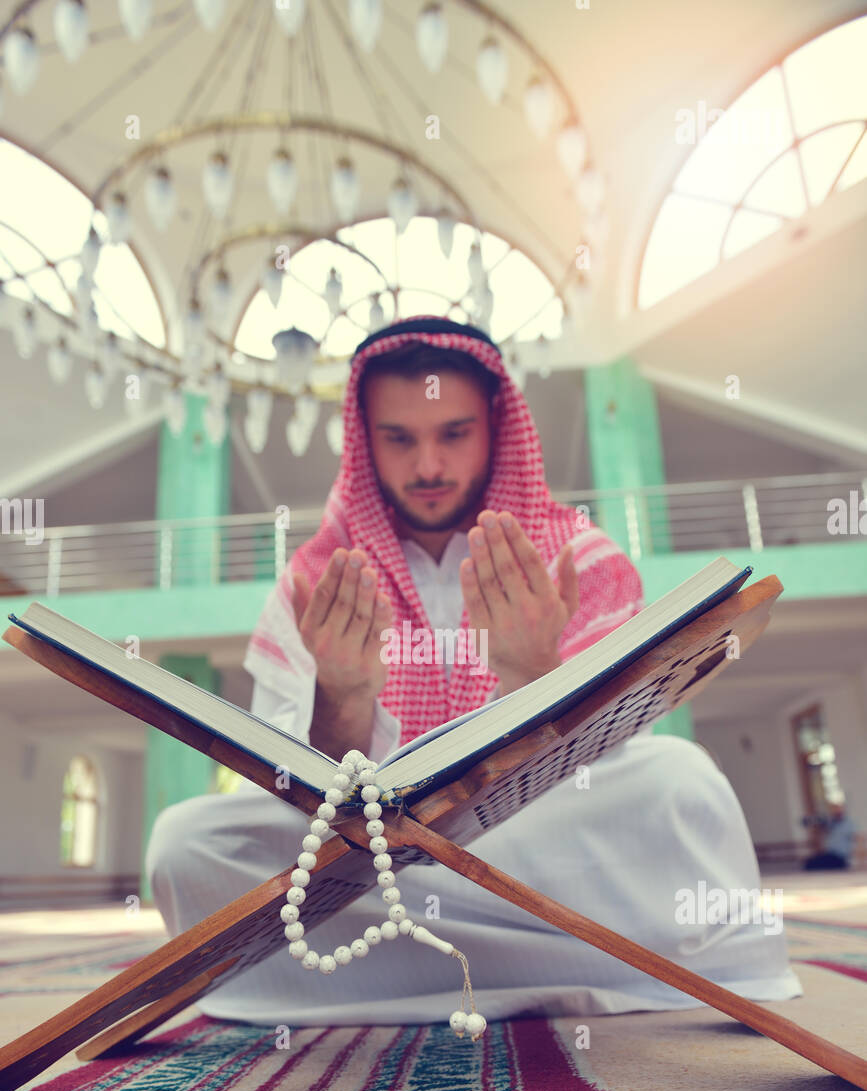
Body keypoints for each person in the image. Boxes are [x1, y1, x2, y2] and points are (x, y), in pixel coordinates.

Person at [145, 316, 801, 1026]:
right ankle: (581, 957)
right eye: (399, 438)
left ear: (495, 428)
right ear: (366, 443)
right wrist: (341, 695)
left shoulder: (576, 559)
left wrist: (535, 675)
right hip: (370, 856)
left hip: (532, 841)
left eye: (452, 433)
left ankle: (368, 972)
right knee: (186, 841)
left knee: (679, 782)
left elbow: (608, 762)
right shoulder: (315, 581)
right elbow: (296, 791)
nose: (427, 465)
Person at [803, 803, 858, 871]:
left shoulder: (848, 824)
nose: (835, 811)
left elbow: (856, 839)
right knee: (809, 863)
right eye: (834, 810)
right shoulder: (831, 822)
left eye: (838, 809)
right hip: (830, 854)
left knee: (814, 864)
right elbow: (813, 824)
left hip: (840, 856)